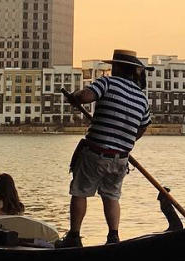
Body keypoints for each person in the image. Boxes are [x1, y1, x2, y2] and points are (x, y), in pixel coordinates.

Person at [56, 49, 153, 248]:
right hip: (121, 158)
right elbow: (143, 127)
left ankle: (74, 236)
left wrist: (74, 97)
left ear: (118, 68)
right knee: (111, 197)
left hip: (96, 152)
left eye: (113, 66)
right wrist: (126, 140)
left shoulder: (107, 82)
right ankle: (113, 237)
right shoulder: (142, 99)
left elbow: (86, 96)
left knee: (80, 191)